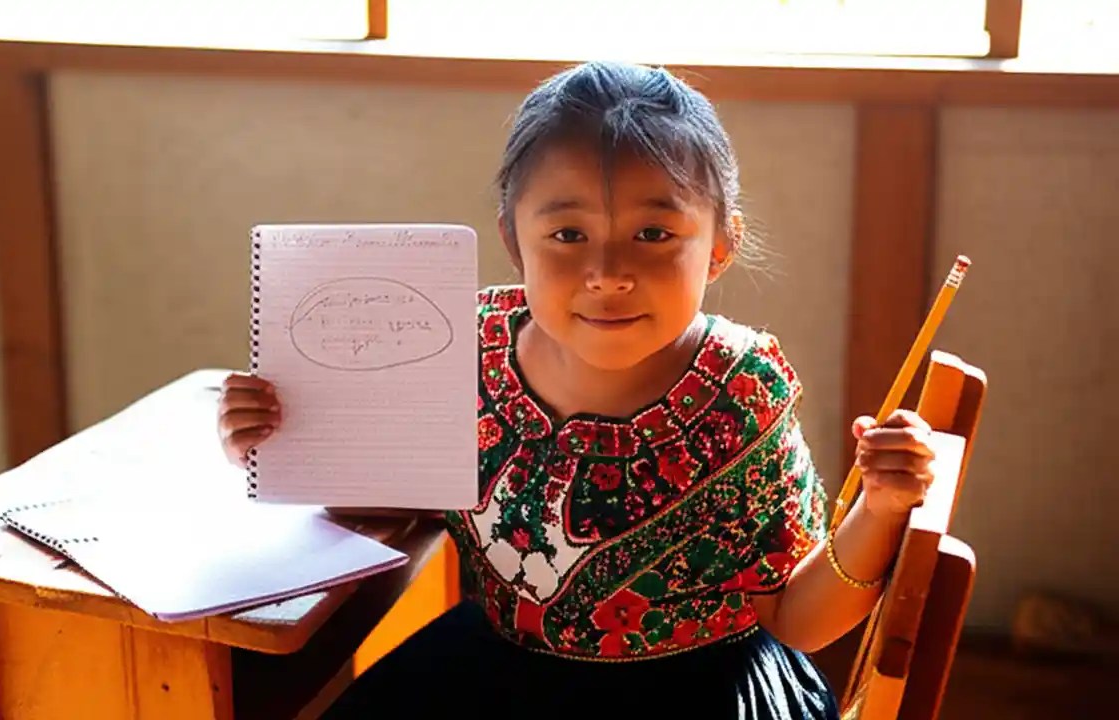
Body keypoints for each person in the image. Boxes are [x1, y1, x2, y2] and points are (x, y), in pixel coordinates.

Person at [217, 60, 941, 718]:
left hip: (703, 692)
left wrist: (879, 509)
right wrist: (277, 437)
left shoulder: (739, 394)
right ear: (512, 241)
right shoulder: (464, 347)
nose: (608, 272)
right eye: (567, 235)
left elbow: (798, 620)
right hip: (499, 670)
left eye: (654, 234)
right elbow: (388, 503)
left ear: (720, 246)